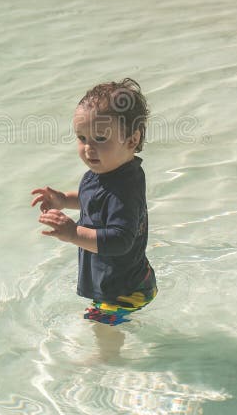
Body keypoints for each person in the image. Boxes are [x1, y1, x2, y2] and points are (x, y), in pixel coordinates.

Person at [31, 78, 157, 327]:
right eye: (82, 138)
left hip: (124, 292)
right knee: (101, 324)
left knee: (99, 326)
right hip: (125, 281)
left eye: (100, 138)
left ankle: (105, 362)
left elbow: (120, 240)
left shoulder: (124, 188)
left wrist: (73, 233)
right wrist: (63, 200)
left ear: (132, 140)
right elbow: (95, 201)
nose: (89, 148)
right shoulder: (104, 172)